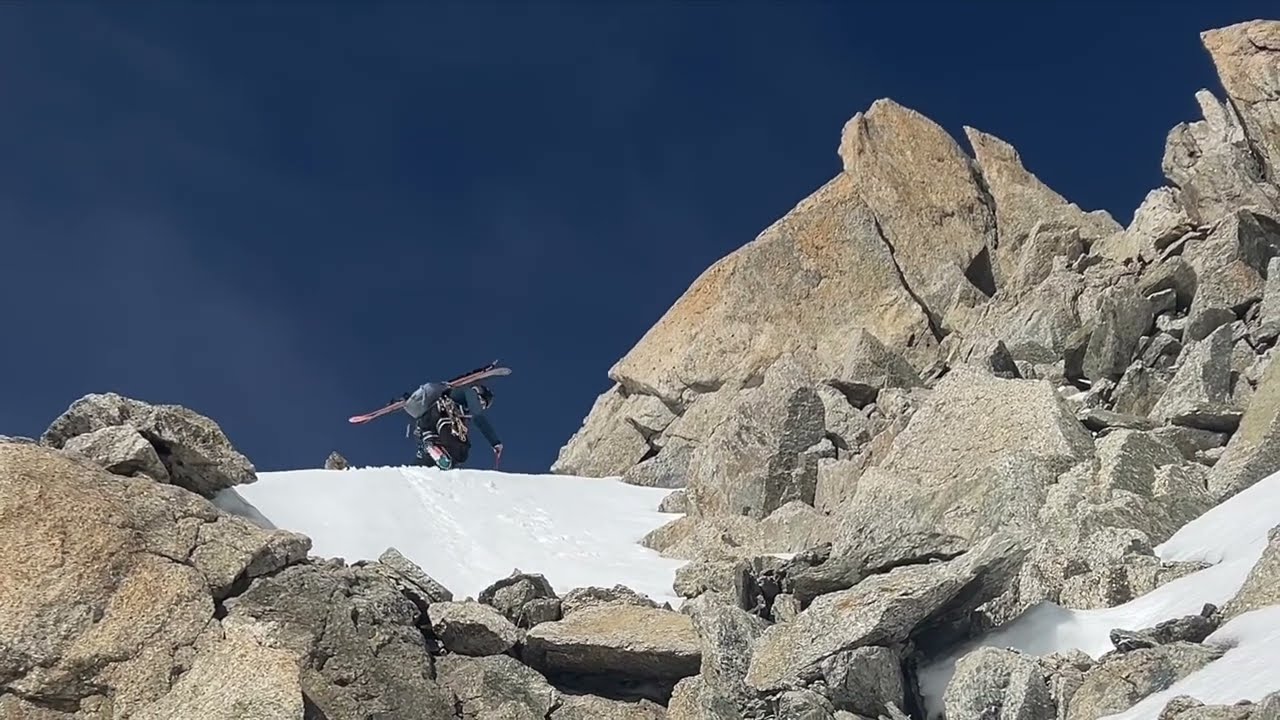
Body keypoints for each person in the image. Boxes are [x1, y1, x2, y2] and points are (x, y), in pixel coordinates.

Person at [395, 380, 502, 470]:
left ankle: (431, 447)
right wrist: (495, 442)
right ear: (479, 394)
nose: (481, 406)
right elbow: (478, 417)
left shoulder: (449, 397)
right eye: (482, 403)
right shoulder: (469, 392)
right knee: (461, 451)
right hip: (442, 415)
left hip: (426, 423)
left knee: (431, 460)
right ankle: (433, 448)